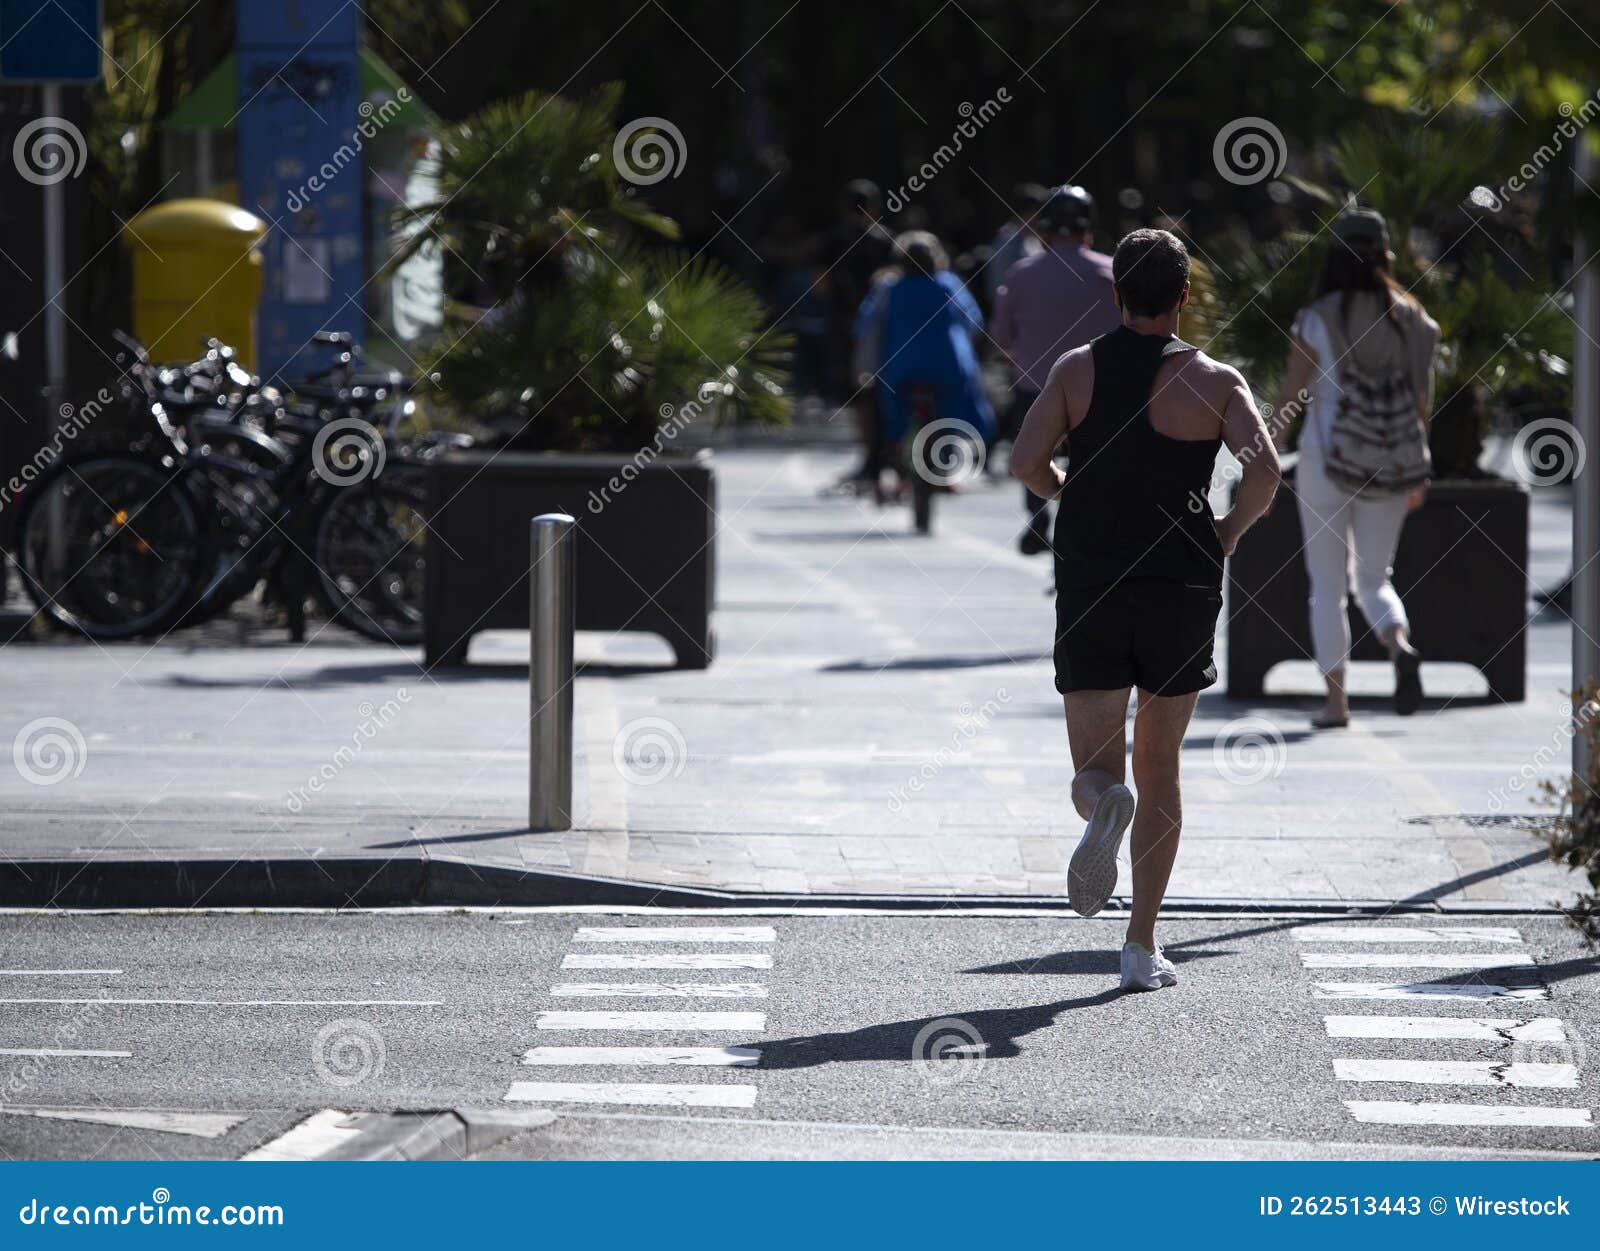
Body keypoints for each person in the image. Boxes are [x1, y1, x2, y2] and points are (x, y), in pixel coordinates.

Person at [1010, 228, 1279, 991]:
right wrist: (1227, 530)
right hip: (1183, 584)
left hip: (1094, 579)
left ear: (1117, 292)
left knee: (1095, 771)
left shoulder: (1076, 370)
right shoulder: (1217, 381)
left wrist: (1076, 491)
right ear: (1184, 297)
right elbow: (1264, 470)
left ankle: (1103, 804)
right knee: (1163, 767)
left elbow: (1027, 463)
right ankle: (1140, 944)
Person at [1276, 208, 1439, 728]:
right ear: (1385, 255)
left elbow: (1290, 399)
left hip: (1327, 464)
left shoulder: (1317, 317)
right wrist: (1419, 469)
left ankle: (1335, 703)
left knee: (1326, 585)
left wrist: (1263, 451)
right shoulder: (1412, 317)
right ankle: (1398, 646)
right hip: (1391, 464)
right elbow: (1421, 405)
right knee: (1374, 579)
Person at [994, 185, 1122, 554]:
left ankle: (1037, 514)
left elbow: (1002, 336)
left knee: (1032, 447)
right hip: (1098, 391)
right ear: (1089, 228)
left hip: (1036, 386)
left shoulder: (1020, 274)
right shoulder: (1111, 272)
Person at [855, 231, 993, 507]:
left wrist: (865, 368)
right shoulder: (949, 285)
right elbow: (974, 322)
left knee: (893, 414)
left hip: (901, 370)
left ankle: (896, 455)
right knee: (958, 405)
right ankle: (947, 465)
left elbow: (866, 327)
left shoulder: (889, 287)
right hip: (947, 368)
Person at [984, 182, 1047, 307]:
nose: (1041, 220)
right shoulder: (1006, 244)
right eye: (1038, 214)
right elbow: (999, 290)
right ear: (1025, 214)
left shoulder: (1033, 241)